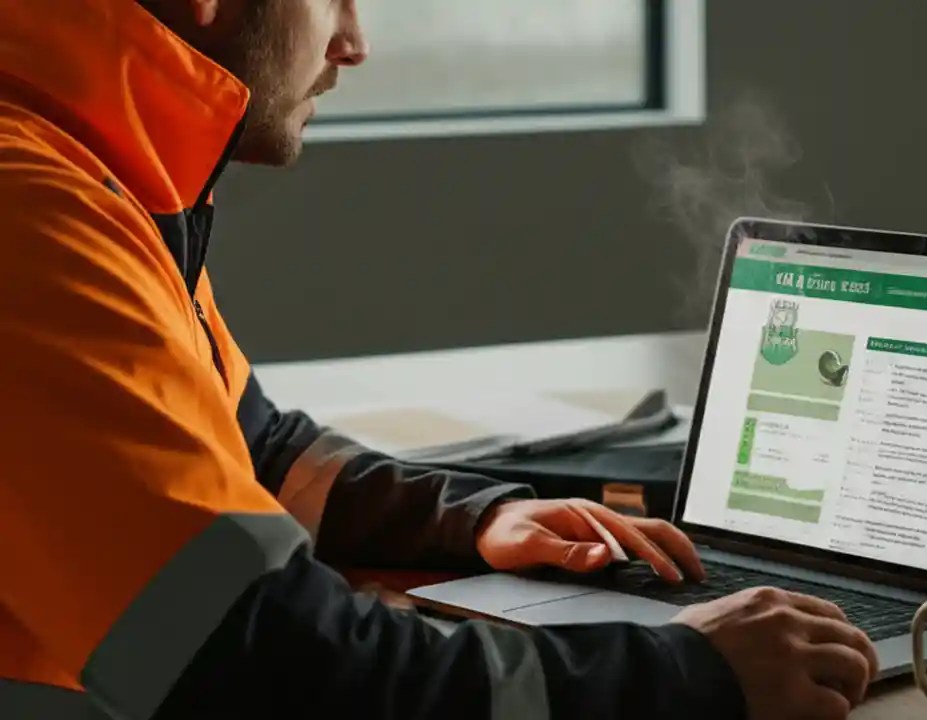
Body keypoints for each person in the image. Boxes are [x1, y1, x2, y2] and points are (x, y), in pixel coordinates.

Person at [0, 1, 878, 718]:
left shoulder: (94, 171)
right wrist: (682, 674)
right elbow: (260, 662)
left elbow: (253, 448)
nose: (356, 41)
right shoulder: (36, 219)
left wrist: (472, 518)